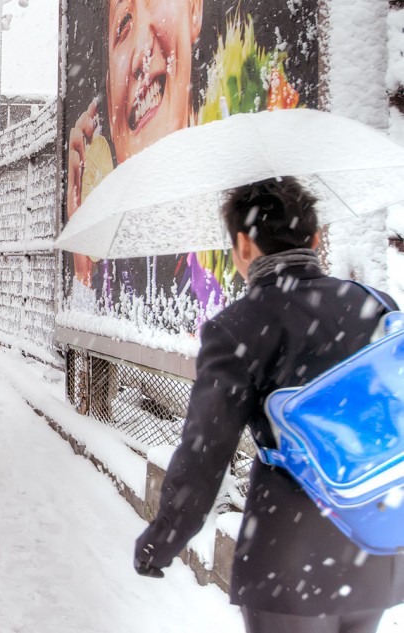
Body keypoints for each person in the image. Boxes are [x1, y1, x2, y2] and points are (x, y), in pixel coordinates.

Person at [134, 177, 404, 633]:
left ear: (243, 244)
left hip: (288, 556)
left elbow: (206, 450)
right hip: (377, 546)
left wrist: (163, 537)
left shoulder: (238, 326)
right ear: (316, 240)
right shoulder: (376, 305)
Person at [67, 0, 203, 285]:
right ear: (107, 87)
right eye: (123, 26)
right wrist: (83, 269)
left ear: (194, 9)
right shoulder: (114, 268)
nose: (141, 53)